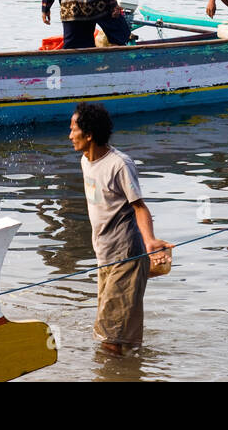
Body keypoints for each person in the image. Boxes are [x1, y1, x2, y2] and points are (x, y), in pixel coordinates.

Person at [70, 102, 171, 356]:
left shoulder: (120, 165)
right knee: (122, 337)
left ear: (89, 134)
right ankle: (133, 371)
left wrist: (148, 241)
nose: (70, 136)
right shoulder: (85, 161)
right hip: (104, 255)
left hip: (125, 257)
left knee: (110, 340)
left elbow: (139, 207)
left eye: (73, 130)